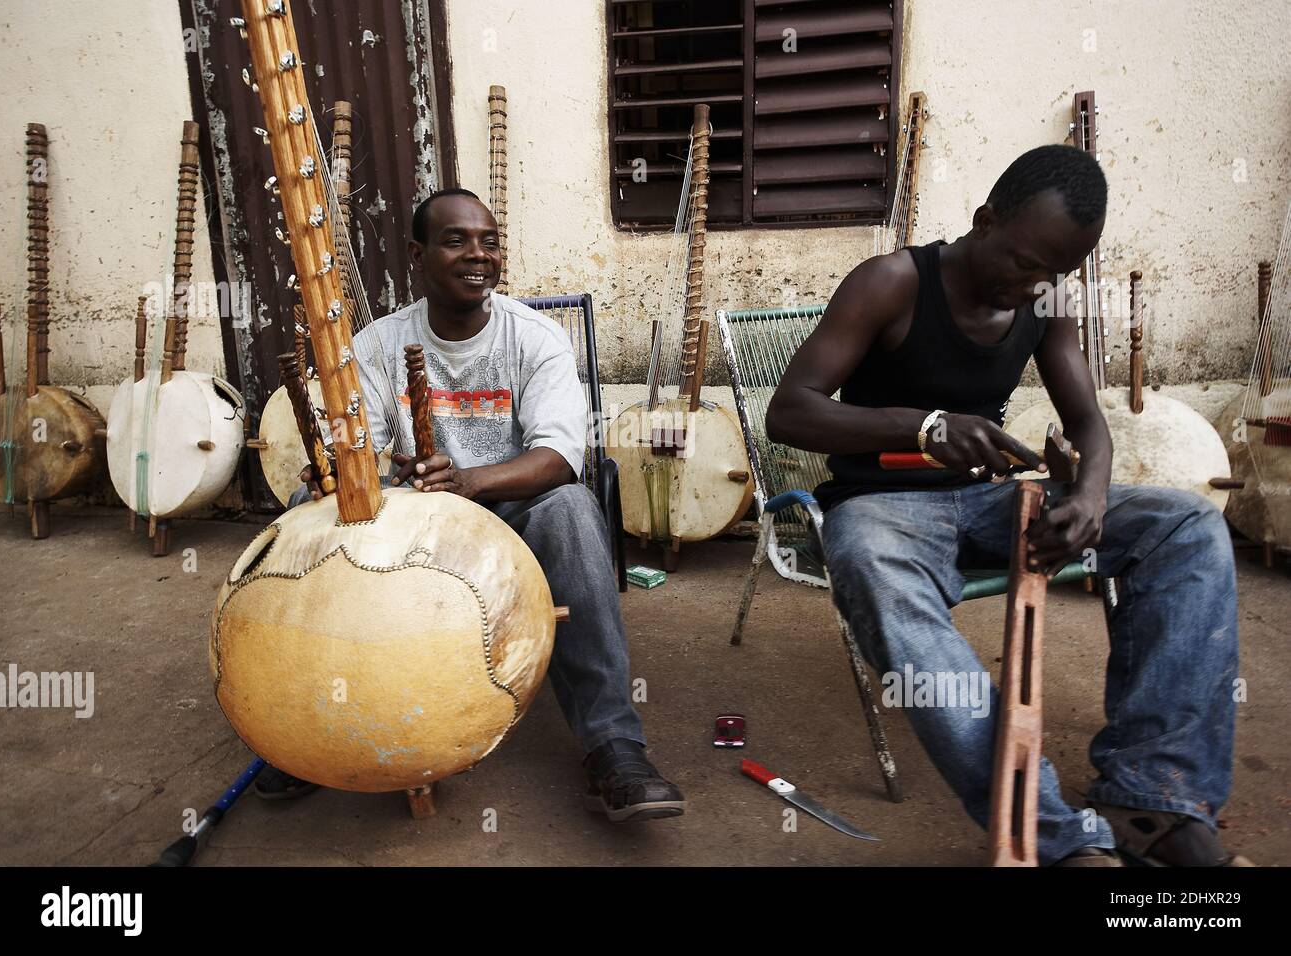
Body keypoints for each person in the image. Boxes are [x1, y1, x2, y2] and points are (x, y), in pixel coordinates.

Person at [766, 145, 1248, 866]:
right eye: (1025, 263)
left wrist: (1087, 495)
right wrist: (924, 426)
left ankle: (1156, 801)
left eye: (1057, 272)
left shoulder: (1045, 301)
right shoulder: (892, 282)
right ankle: (1055, 836)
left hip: (991, 504)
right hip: (882, 507)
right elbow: (790, 413)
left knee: (1187, 526)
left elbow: (1087, 421)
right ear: (985, 220)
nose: (1036, 286)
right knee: (871, 566)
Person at [256, 188, 686, 823]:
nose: (476, 255)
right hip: (410, 525)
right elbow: (363, 453)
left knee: (570, 507)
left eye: (488, 241)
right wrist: (365, 471)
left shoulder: (535, 339)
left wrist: (471, 482)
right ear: (418, 254)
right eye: (456, 240)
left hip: (511, 519)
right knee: (304, 507)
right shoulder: (377, 346)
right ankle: (309, 728)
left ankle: (613, 745)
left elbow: (560, 458)